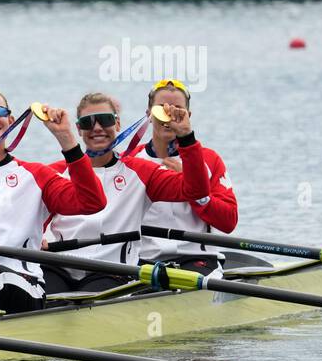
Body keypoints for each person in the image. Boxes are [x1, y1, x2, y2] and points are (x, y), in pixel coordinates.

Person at [0, 87, 105, 314]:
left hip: (25, 283)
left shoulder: (36, 175)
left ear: (10, 120)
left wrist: (65, 137)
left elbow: (92, 202)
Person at [42, 93, 211, 293]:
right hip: (58, 265)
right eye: (87, 123)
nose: (97, 128)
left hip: (111, 270)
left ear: (118, 124)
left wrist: (186, 135)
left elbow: (196, 190)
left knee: (95, 291)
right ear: (78, 129)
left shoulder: (141, 172)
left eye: (105, 120)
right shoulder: (55, 171)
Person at [136, 79, 239, 275]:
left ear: (188, 116)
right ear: (149, 114)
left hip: (197, 259)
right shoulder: (131, 161)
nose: (169, 116)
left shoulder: (209, 159)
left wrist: (193, 183)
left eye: (177, 110)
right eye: (161, 109)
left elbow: (228, 222)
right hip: (144, 261)